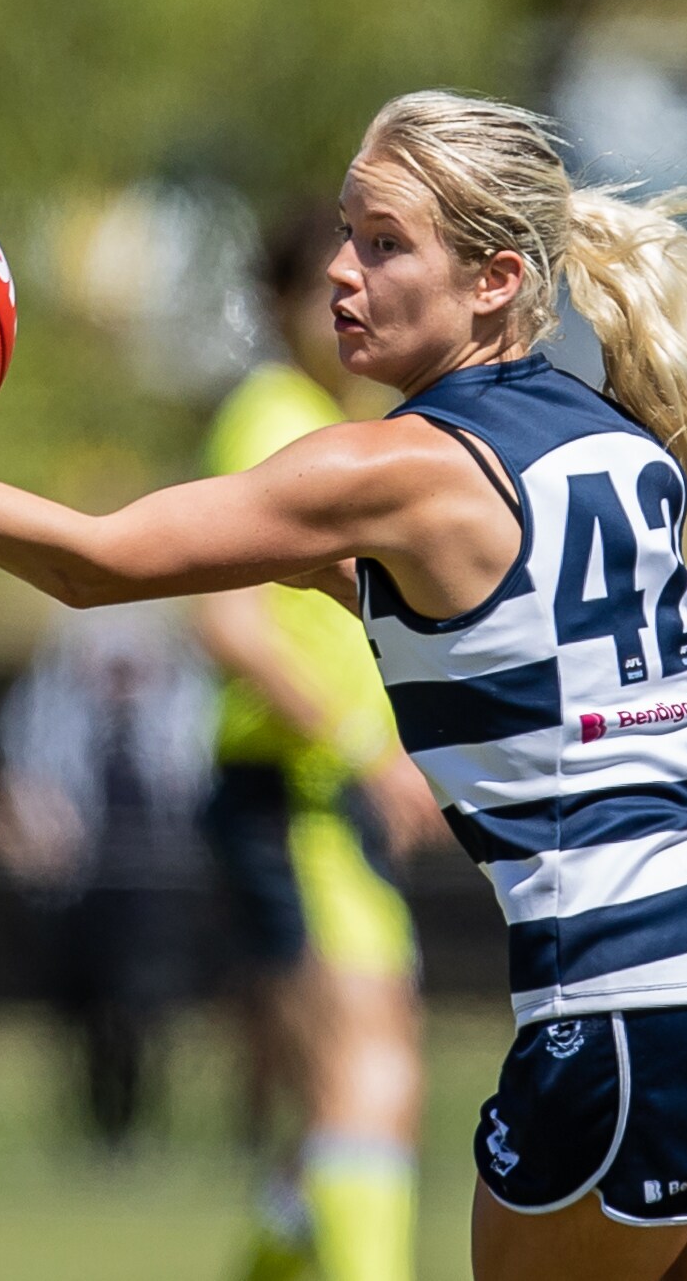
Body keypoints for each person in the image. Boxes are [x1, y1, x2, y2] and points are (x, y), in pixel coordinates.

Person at [0, 88, 687, 1281]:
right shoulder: (610, 435)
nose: (341, 271)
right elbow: (456, 619)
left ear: (493, 278)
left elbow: (88, 566)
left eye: (385, 243)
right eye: (345, 233)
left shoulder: (394, 467)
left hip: (643, 982)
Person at [196, 205, 444, 1281]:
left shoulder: (361, 426)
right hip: (293, 798)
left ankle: (274, 1255)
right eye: (324, 285)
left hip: (331, 806)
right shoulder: (274, 418)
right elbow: (230, 622)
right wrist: (361, 745)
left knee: (340, 1099)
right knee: (367, 1076)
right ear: (276, 306)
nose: (351, 298)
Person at [0, 604, 214, 1148]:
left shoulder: (188, 708)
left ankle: (136, 1124)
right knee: (80, 1015)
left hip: (158, 887)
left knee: (146, 1010)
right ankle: (94, 1126)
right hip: (75, 885)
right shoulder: (45, 707)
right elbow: (14, 787)